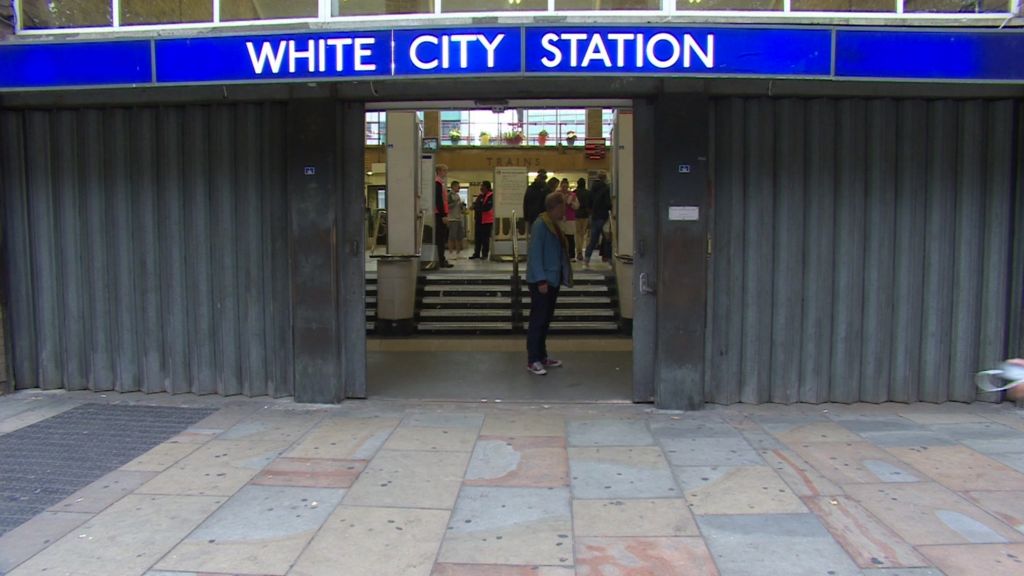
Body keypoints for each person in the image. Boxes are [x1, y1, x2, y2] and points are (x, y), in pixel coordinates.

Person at [525, 192, 573, 376]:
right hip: (542, 281)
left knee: (545, 320)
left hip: (553, 278)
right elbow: (535, 254)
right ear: (556, 207)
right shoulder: (541, 225)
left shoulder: (553, 224)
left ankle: (542, 355)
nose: (565, 211)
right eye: (563, 207)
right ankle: (533, 359)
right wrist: (540, 279)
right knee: (538, 320)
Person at [583, 171, 612, 268]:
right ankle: (608, 259)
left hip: (594, 216)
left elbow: (589, 202)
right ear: (604, 178)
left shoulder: (592, 189)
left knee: (593, 240)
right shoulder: (606, 188)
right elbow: (608, 203)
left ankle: (586, 260)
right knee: (607, 238)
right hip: (603, 216)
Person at [434, 164, 453, 268]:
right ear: (439, 171)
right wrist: (443, 215)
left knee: (442, 238)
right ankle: (441, 260)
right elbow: (439, 200)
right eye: (444, 170)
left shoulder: (441, 183)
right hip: (439, 214)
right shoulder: (437, 183)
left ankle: (441, 259)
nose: (446, 173)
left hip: (441, 213)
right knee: (440, 239)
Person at [470, 180, 495, 260]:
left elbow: (487, 208)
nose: (481, 188)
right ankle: (476, 253)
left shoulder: (491, 196)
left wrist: (476, 208)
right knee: (477, 238)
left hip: (487, 221)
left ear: (487, 187)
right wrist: (474, 206)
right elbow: (476, 204)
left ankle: (484, 254)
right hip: (478, 220)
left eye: (482, 186)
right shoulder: (480, 196)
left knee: (485, 239)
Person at [560, 178, 580, 261]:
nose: (564, 188)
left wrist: (571, 202)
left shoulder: (573, 195)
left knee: (570, 237)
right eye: (563, 186)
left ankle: (571, 255)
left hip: (570, 218)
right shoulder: (557, 195)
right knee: (561, 237)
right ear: (561, 186)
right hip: (560, 218)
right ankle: (561, 255)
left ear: (568, 186)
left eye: (566, 186)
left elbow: (577, 206)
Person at [446, 180, 466, 259]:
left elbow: (458, 206)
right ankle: (451, 253)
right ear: (453, 186)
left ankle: (458, 253)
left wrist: (461, 205)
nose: (459, 188)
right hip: (452, 219)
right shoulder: (450, 195)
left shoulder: (457, 195)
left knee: (459, 236)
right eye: (458, 186)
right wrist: (455, 203)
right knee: (452, 236)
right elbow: (448, 206)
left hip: (458, 218)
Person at [573, 177, 591, 261]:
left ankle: (579, 251)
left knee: (577, 233)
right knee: (583, 233)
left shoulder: (574, 193)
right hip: (585, 215)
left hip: (576, 215)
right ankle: (581, 251)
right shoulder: (588, 193)